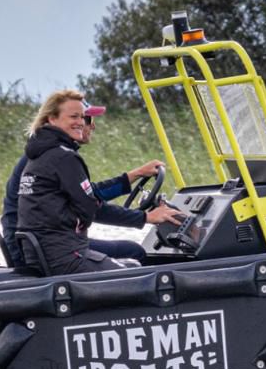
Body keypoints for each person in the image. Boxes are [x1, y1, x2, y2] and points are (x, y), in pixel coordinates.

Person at [10, 90, 183, 275]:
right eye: (75, 117)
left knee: (133, 253)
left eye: (84, 117)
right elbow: (91, 208)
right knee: (133, 273)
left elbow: (86, 196)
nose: (84, 123)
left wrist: (133, 176)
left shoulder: (41, 154)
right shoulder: (63, 157)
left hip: (46, 251)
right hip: (63, 255)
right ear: (52, 119)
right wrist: (146, 217)